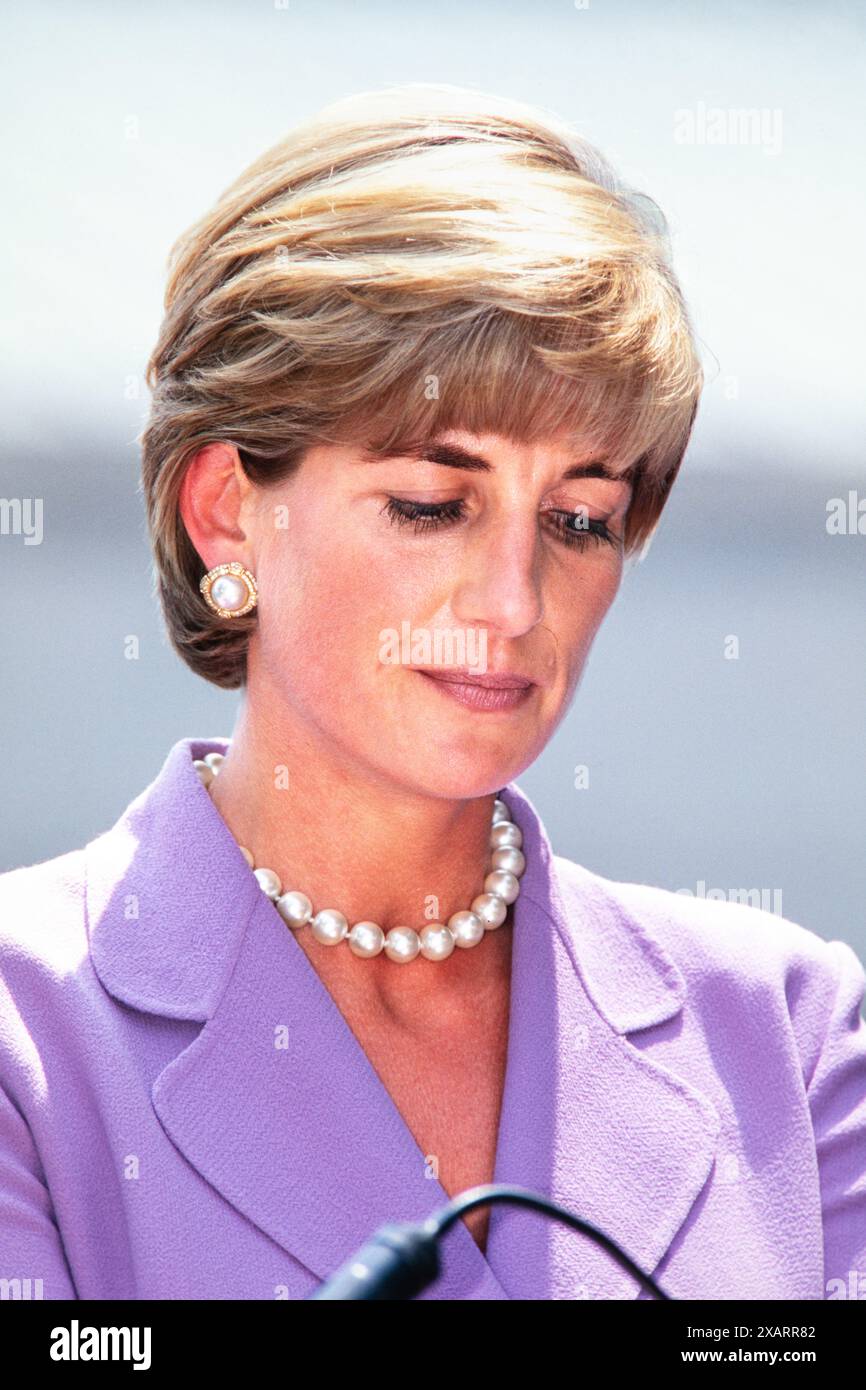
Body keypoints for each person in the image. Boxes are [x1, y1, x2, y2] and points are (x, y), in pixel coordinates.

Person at [1, 83, 864, 1302]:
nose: (513, 599)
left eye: (578, 518)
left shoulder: (788, 1033)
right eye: (429, 503)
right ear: (226, 511)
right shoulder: (25, 1041)